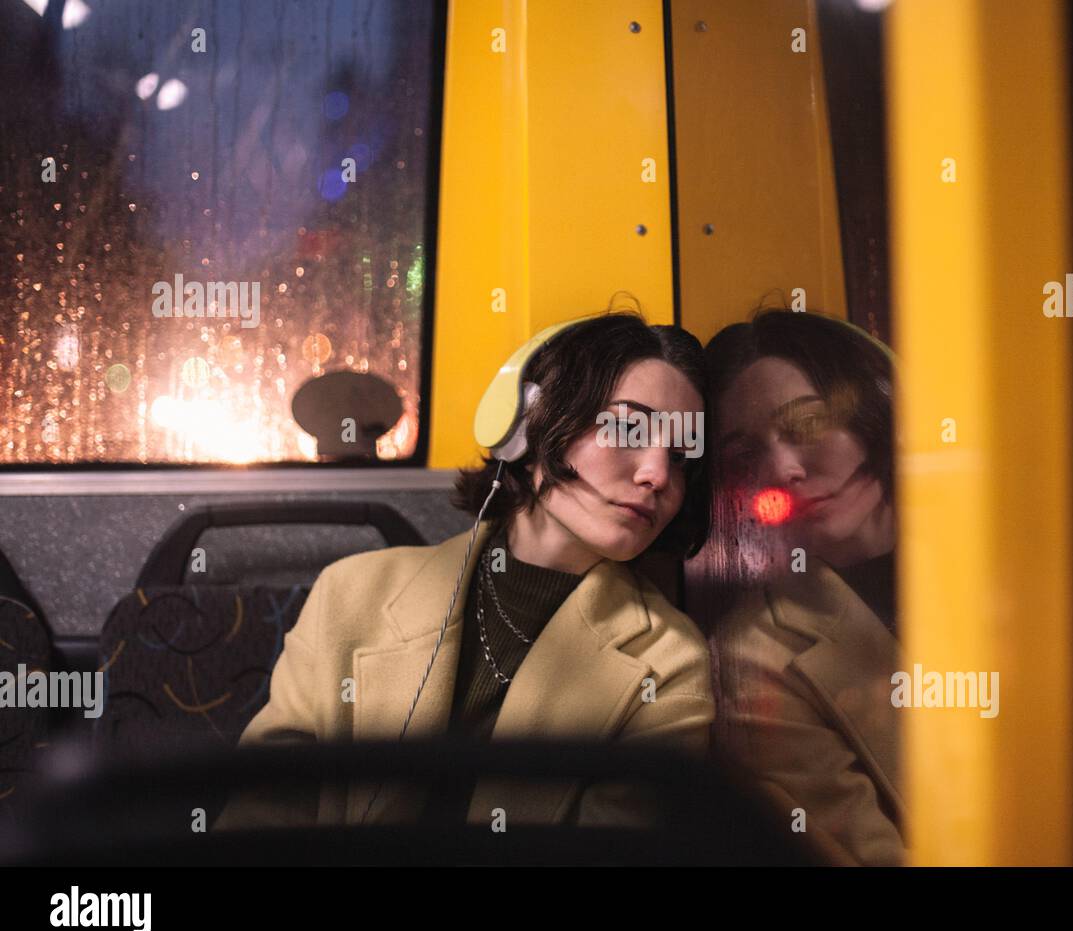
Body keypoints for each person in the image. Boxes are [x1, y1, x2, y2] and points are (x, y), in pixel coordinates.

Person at [216, 311, 714, 831]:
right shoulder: (350, 593)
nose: (658, 473)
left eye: (681, 456)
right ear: (527, 424)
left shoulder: (669, 664)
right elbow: (260, 821)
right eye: (629, 427)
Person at [700, 308, 905, 865]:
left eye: (808, 425)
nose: (783, 469)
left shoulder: (1020, 563)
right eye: (746, 453)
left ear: (878, 411)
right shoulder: (759, 657)